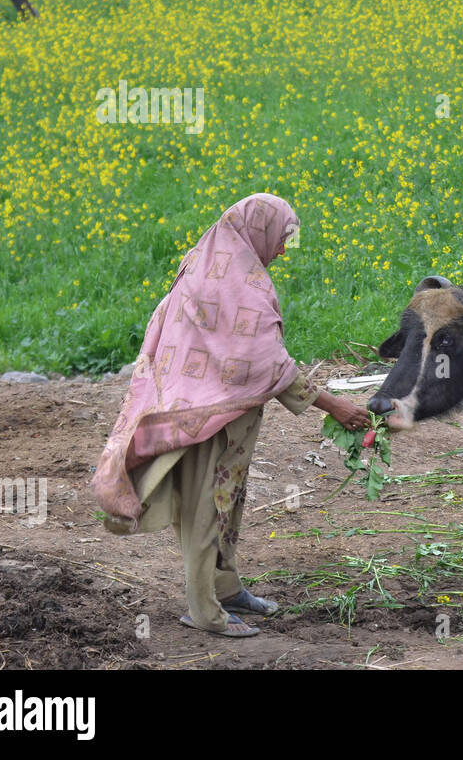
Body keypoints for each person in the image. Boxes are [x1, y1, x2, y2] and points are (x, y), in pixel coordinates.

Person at [91, 193, 370, 637]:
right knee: (206, 512)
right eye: (282, 239)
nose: (282, 250)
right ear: (258, 230)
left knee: (225, 505)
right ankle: (204, 610)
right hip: (207, 419)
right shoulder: (231, 280)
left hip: (217, 413)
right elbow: (265, 362)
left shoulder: (218, 263)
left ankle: (226, 588)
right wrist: (332, 404)